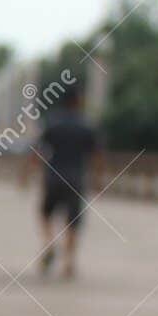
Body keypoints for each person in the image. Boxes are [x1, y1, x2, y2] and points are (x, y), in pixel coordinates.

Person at [24, 80, 102, 278]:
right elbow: (96, 155)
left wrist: (26, 174)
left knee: (45, 213)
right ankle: (69, 264)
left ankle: (50, 242)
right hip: (76, 178)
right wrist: (98, 180)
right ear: (79, 101)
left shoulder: (53, 122)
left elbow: (38, 151)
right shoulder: (86, 125)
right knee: (73, 222)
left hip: (53, 176)